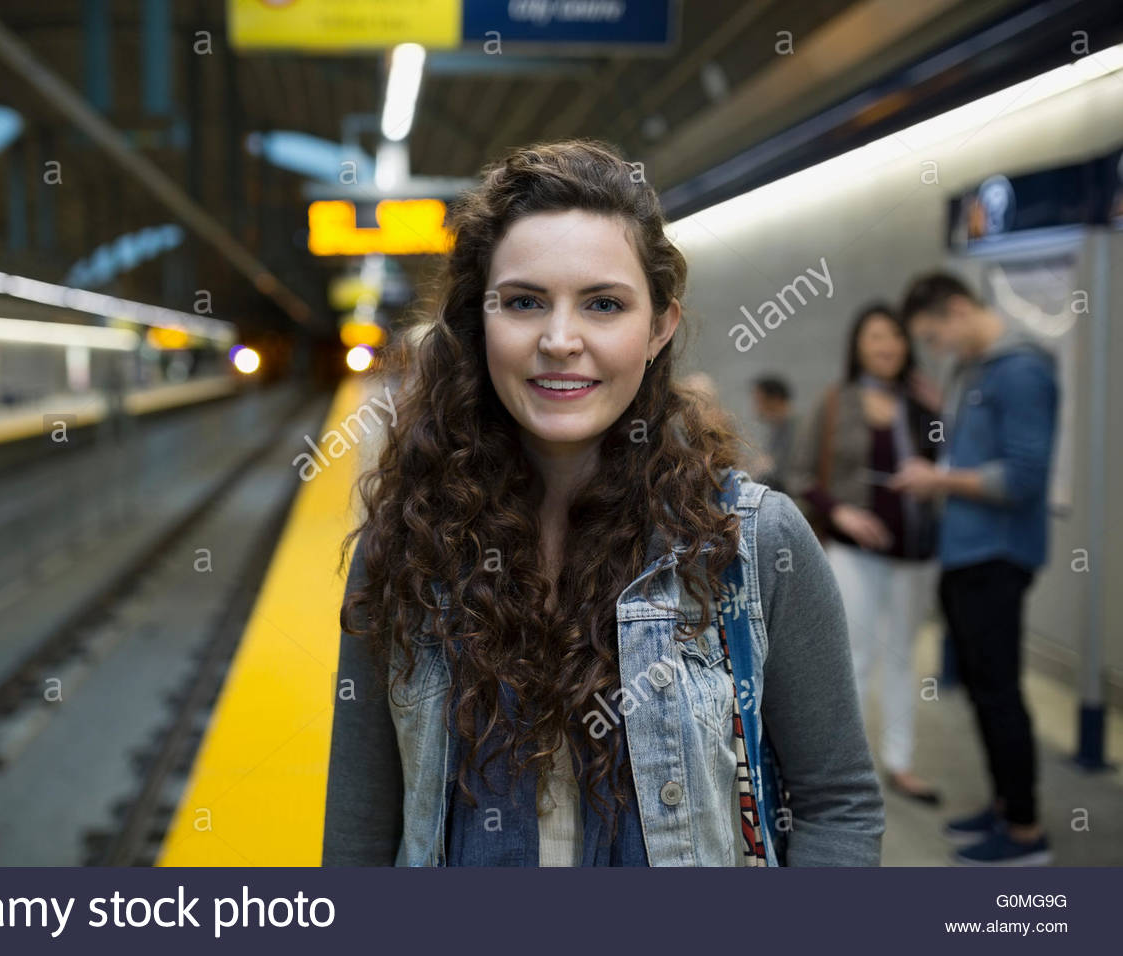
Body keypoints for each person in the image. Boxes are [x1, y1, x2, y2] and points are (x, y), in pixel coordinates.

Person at [321, 139, 883, 867]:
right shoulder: (407, 547)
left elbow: (838, 804)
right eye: (524, 302)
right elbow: (360, 827)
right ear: (477, 322)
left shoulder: (749, 544)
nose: (560, 340)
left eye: (604, 305)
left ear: (658, 328)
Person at [895, 272, 1058, 866]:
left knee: (1000, 694)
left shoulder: (1021, 371)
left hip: (997, 558)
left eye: (936, 336)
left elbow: (1022, 479)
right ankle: (1004, 805)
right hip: (965, 554)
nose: (939, 350)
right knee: (985, 695)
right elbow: (982, 447)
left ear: (960, 310)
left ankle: (1024, 833)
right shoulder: (980, 370)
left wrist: (936, 479)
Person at [787, 303, 941, 807]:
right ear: (858, 345)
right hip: (855, 552)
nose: (886, 346)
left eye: (894, 336)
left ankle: (901, 762)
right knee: (854, 657)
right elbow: (800, 475)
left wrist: (943, 410)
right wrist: (845, 514)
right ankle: (845, 770)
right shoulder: (836, 403)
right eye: (875, 336)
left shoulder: (921, 405)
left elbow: (951, 462)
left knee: (903, 660)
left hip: (916, 553)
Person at [750, 375, 795, 494]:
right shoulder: (777, 429)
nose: (756, 408)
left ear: (775, 399)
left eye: (759, 401)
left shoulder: (794, 431)